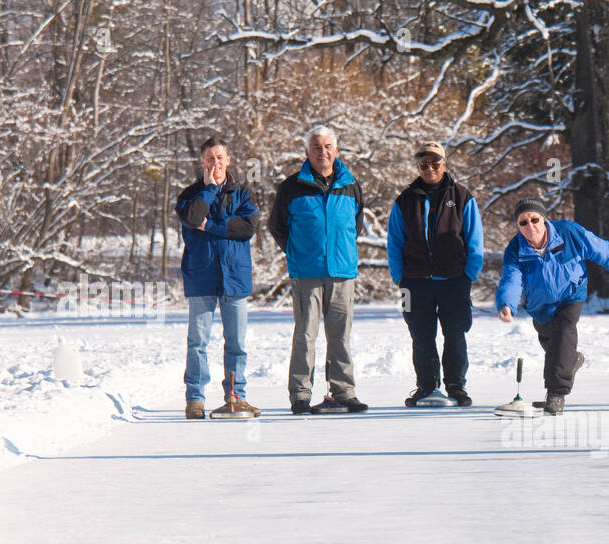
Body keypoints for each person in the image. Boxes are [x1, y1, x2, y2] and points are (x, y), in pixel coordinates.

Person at [495, 199, 609, 415]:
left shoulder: (568, 232)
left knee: (564, 332)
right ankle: (572, 360)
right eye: (523, 223)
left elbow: (599, 248)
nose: (530, 226)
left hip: (571, 294)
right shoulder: (515, 249)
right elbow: (511, 279)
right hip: (539, 306)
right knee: (555, 346)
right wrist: (506, 304)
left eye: (535, 219)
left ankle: (556, 394)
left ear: (544, 218)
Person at [268, 125, 368, 414]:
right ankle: (300, 395)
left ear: (336, 150)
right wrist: (300, 252)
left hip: (341, 272)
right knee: (305, 335)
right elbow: (277, 227)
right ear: (307, 151)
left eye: (327, 146)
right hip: (306, 273)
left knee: (341, 336)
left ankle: (344, 392)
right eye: (316, 147)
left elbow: (355, 225)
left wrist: (339, 249)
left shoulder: (351, 185)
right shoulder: (291, 187)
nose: (322, 152)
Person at [386, 141, 484, 407]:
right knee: (420, 335)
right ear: (418, 167)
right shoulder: (405, 200)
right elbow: (394, 241)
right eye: (424, 164)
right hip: (414, 282)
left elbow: (474, 240)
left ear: (444, 164)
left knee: (455, 334)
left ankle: (456, 385)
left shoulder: (462, 196)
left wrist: (468, 275)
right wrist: (399, 277)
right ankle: (426, 386)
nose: (429, 168)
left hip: (454, 281)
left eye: (435, 163)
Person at [175, 135, 261, 419]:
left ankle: (236, 395)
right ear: (202, 162)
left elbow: (247, 227)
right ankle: (195, 399)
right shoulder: (190, 196)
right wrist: (209, 190)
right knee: (198, 341)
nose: (216, 163)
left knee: (236, 342)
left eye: (220, 158)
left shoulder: (243, 193)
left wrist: (210, 225)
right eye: (210, 158)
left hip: (234, 276)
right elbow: (191, 218)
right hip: (201, 275)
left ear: (229, 160)